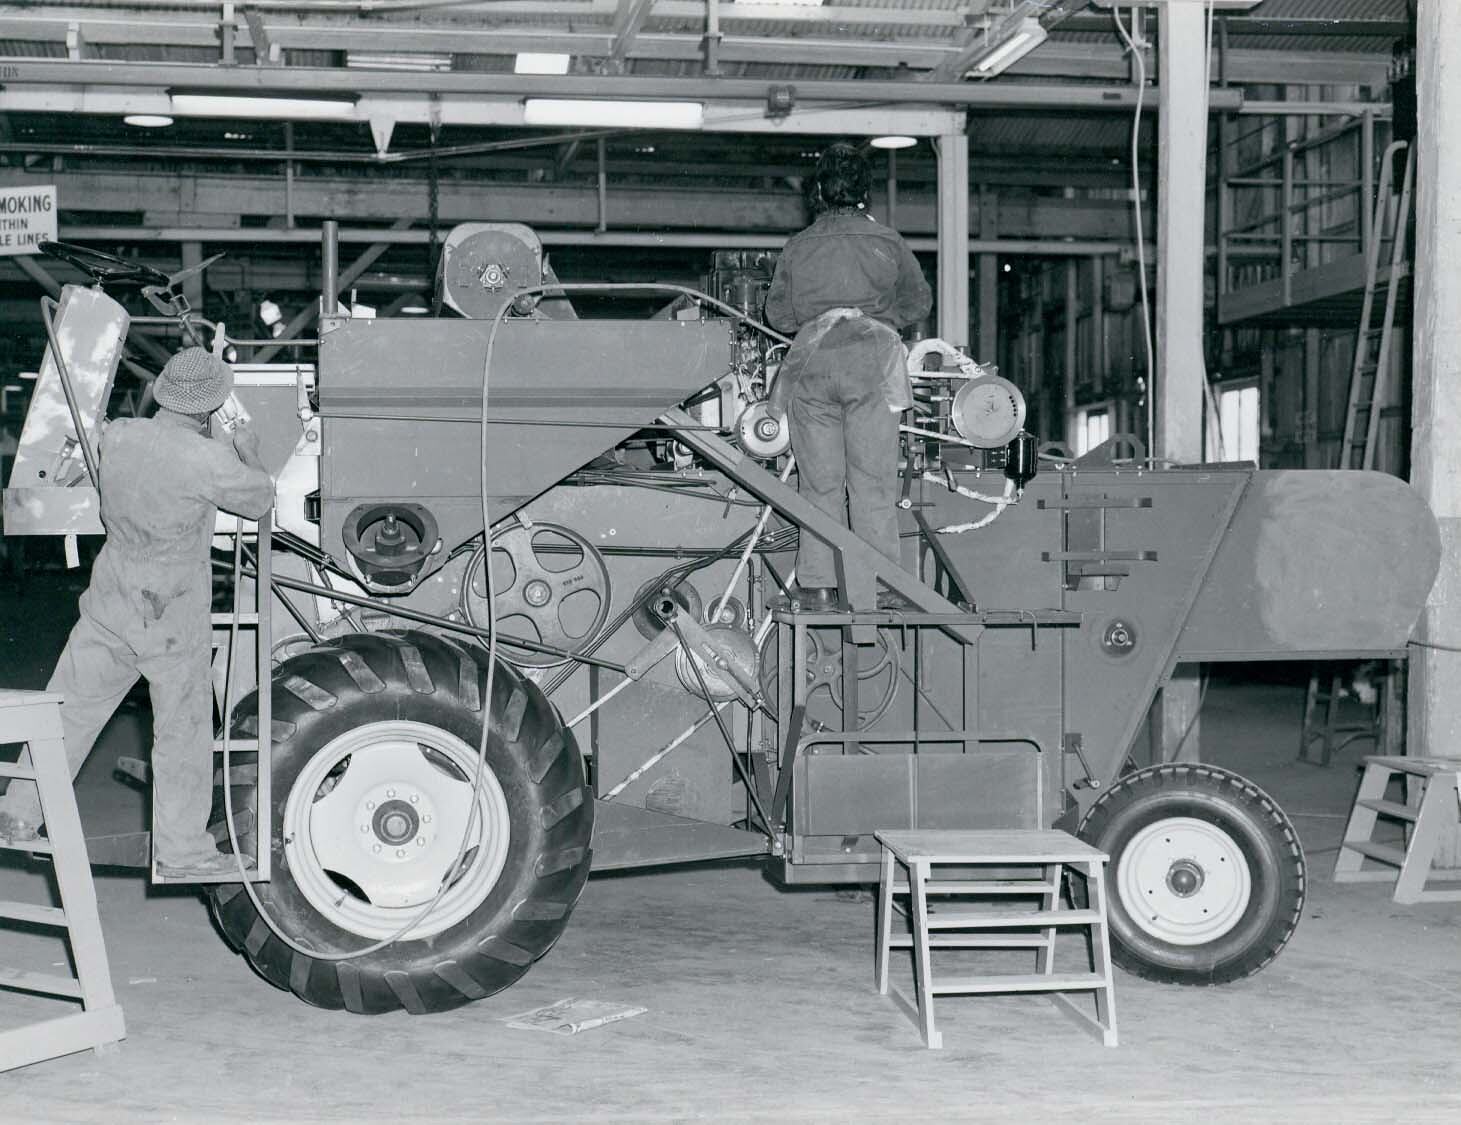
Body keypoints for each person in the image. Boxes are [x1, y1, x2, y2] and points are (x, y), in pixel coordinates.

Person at [0, 347, 275, 879]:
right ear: (212, 408)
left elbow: (152, 466)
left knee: (67, 714)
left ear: (161, 390)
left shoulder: (120, 434)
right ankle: (182, 850)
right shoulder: (210, 460)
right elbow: (260, 499)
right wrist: (247, 450)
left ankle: (17, 813)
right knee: (182, 732)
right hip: (168, 614)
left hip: (109, 598)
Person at [764, 142, 932, 611]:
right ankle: (880, 587)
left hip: (813, 368)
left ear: (817, 191)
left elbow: (777, 314)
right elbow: (919, 302)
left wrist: (821, 314)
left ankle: (817, 584)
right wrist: (876, 318)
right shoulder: (888, 242)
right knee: (872, 482)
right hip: (871, 366)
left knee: (819, 483)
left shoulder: (799, 247)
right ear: (866, 192)